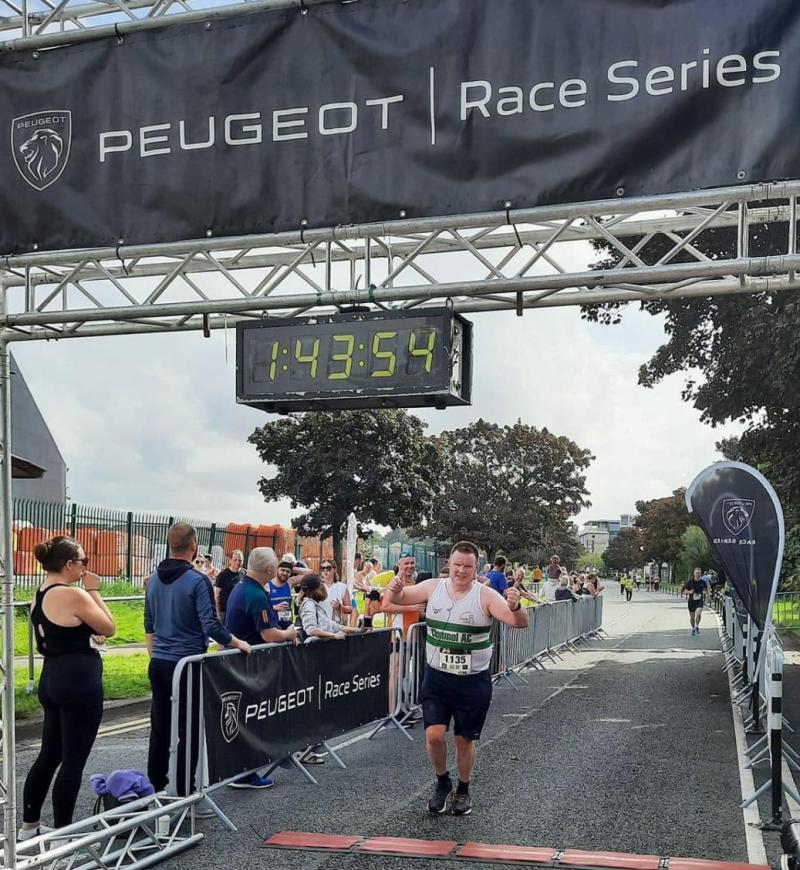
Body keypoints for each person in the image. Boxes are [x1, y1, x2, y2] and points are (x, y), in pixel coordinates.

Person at [384, 540, 528, 817]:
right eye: (457, 565)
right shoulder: (432, 588)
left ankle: (463, 789)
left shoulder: (484, 596)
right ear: (449, 564)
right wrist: (394, 588)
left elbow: (519, 622)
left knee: (464, 741)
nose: (461, 571)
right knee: (434, 735)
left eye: (468, 567)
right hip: (437, 678)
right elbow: (396, 600)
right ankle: (442, 782)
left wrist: (516, 604)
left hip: (472, 681)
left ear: (476, 569)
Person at [19, 536, 116, 840]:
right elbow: (109, 627)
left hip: (52, 676)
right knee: (73, 760)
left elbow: (61, 631)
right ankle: (63, 833)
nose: (86, 567)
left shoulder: (40, 593)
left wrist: (87, 632)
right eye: (83, 562)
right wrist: (94, 589)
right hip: (79, 681)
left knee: (49, 754)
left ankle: (29, 827)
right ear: (69, 564)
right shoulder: (74, 594)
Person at [145, 523, 251, 795]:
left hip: (158, 662)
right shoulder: (197, 580)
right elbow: (211, 626)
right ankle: (184, 791)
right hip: (187, 663)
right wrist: (238, 643)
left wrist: (155, 655)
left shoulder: (153, 579)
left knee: (160, 728)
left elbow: (149, 624)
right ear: (194, 547)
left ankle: (154, 789)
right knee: (188, 729)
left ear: (171, 545)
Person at [223, 547, 299, 788]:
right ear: (269, 569)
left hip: (238, 663)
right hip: (249, 666)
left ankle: (246, 768)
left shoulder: (242, 587)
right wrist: (289, 633)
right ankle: (245, 772)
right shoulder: (256, 594)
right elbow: (268, 634)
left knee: (247, 718)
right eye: (275, 566)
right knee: (251, 718)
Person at [297, 574, 361, 641]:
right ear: (315, 590)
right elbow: (311, 630)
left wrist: (355, 630)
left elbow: (333, 626)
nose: (324, 587)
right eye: (321, 585)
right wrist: (333, 635)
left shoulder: (315, 605)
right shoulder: (309, 605)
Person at [320, 559, 354, 625]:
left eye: (328, 568)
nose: (325, 570)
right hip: (321, 624)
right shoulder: (318, 587)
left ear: (334, 569)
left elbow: (350, 609)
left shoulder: (342, 587)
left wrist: (340, 607)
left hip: (336, 624)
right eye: (322, 568)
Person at [214, 550, 244, 621]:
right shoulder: (223, 575)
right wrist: (218, 613)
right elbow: (217, 595)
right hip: (225, 612)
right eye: (235, 560)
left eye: (240, 560)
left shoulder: (245, 574)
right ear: (230, 561)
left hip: (240, 612)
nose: (237, 562)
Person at [684, 567, 708, 635]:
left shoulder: (703, 582)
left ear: (701, 574)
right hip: (691, 601)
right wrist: (689, 592)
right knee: (692, 617)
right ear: (694, 574)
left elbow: (706, 590)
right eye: (696, 573)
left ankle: (697, 626)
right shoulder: (690, 582)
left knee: (698, 613)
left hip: (699, 601)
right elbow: (685, 591)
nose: (698, 574)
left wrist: (707, 598)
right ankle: (693, 628)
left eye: (699, 573)